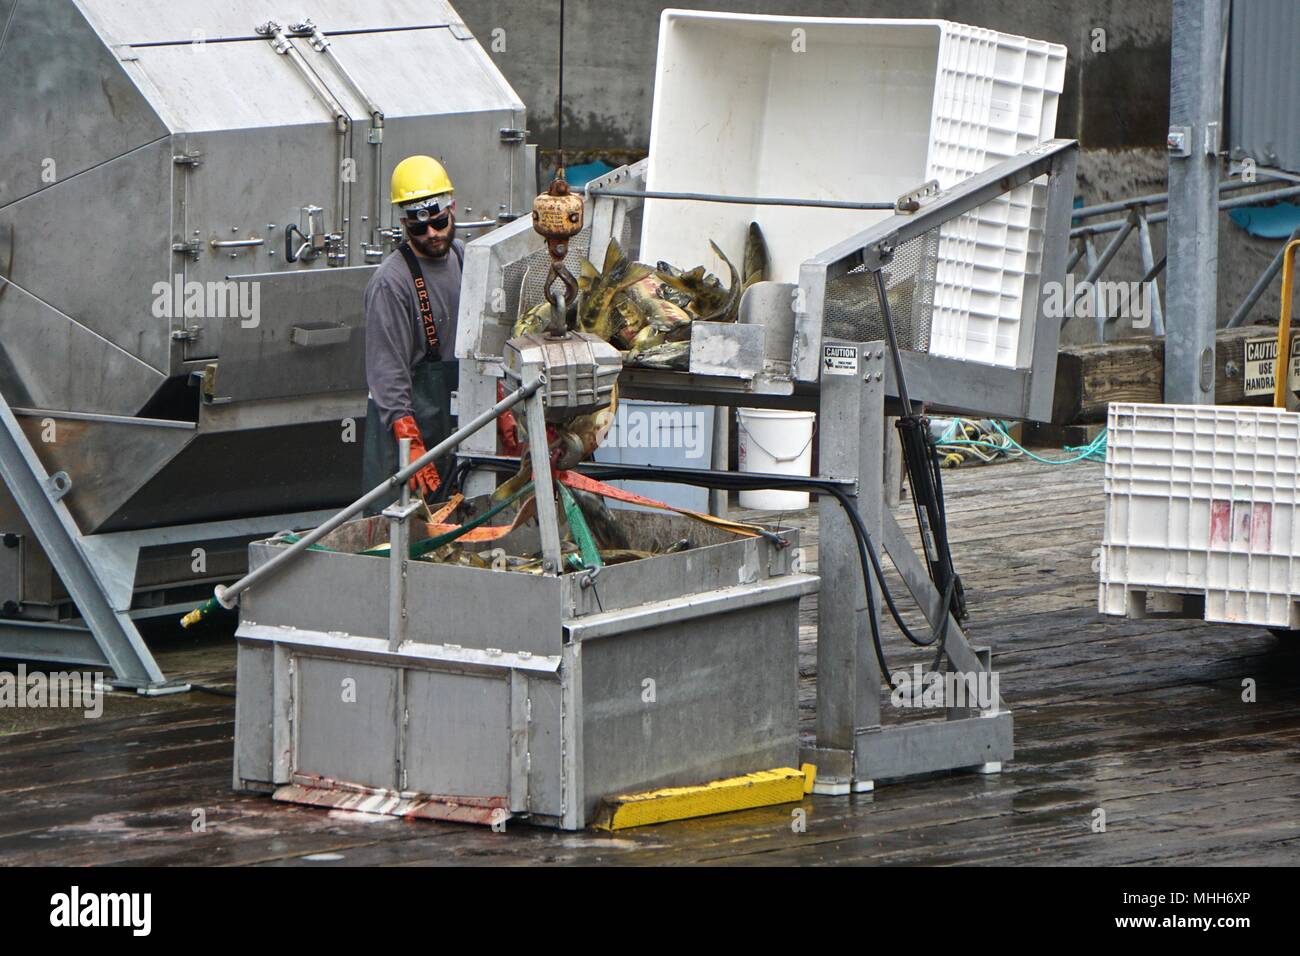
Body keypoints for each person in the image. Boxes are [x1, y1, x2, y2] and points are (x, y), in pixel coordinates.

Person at [362, 155, 464, 513]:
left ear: (452, 208)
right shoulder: (391, 284)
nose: (432, 234)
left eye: (438, 221)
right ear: (405, 224)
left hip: (454, 428)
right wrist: (410, 440)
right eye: (419, 229)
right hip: (406, 433)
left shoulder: (464, 259)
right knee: (398, 535)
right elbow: (386, 371)